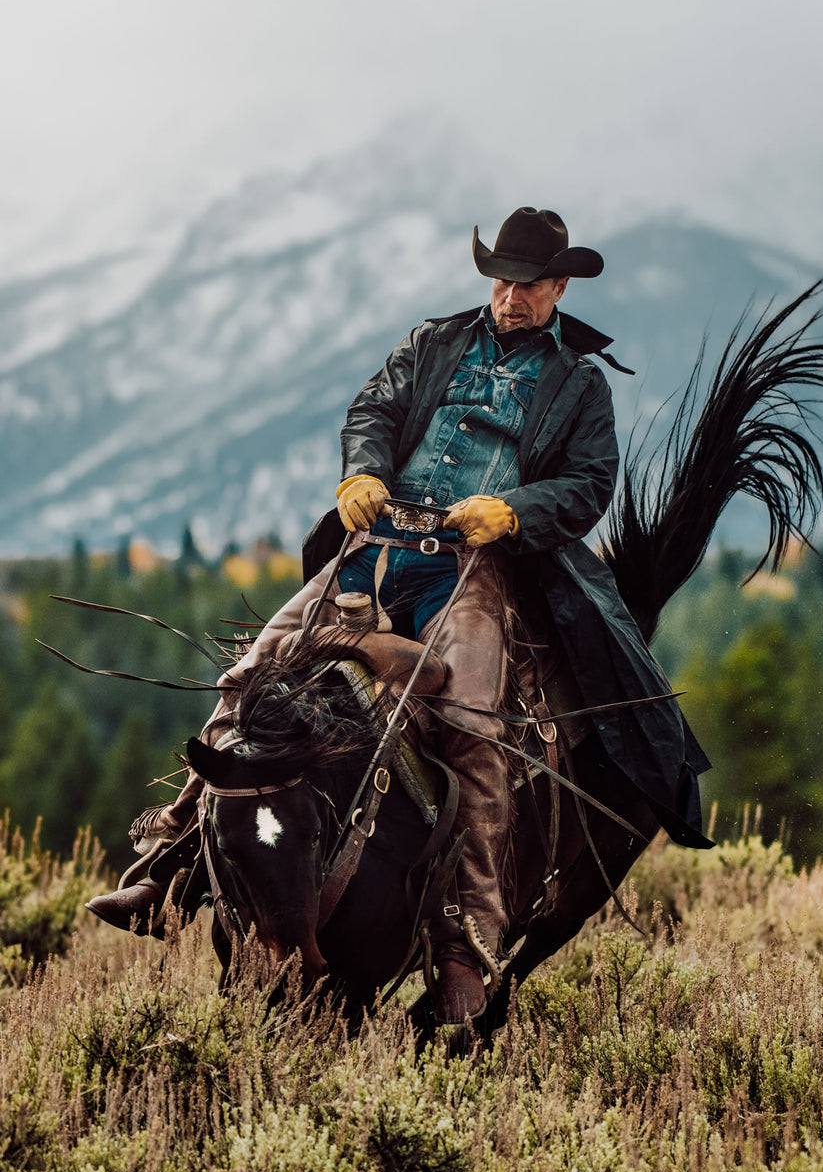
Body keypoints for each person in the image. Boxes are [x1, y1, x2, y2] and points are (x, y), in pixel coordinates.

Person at [88, 207, 709, 1022]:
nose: (510, 297)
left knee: (475, 727)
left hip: (470, 568)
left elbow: (590, 484)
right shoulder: (433, 343)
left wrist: (514, 512)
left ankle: (465, 943)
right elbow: (373, 412)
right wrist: (361, 474)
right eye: (500, 280)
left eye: (527, 285)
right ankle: (168, 860)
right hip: (376, 548)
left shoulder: (580, 382)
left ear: (559, 287)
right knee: (246, 683)